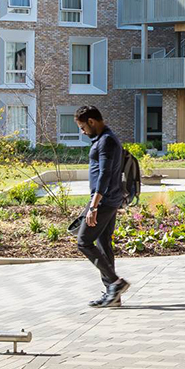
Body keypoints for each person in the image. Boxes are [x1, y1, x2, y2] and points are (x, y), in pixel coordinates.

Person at [74, 105, 130, 308]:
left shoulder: (106, 141)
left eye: (82, 127)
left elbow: (105, 175)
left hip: (104, 201)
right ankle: (112, 295)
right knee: (103, 244)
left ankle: (116, 283)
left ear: (91, 121)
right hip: (108, 199)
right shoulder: (106, 139)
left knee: (83, 241)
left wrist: (93, 206)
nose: (82, 132)